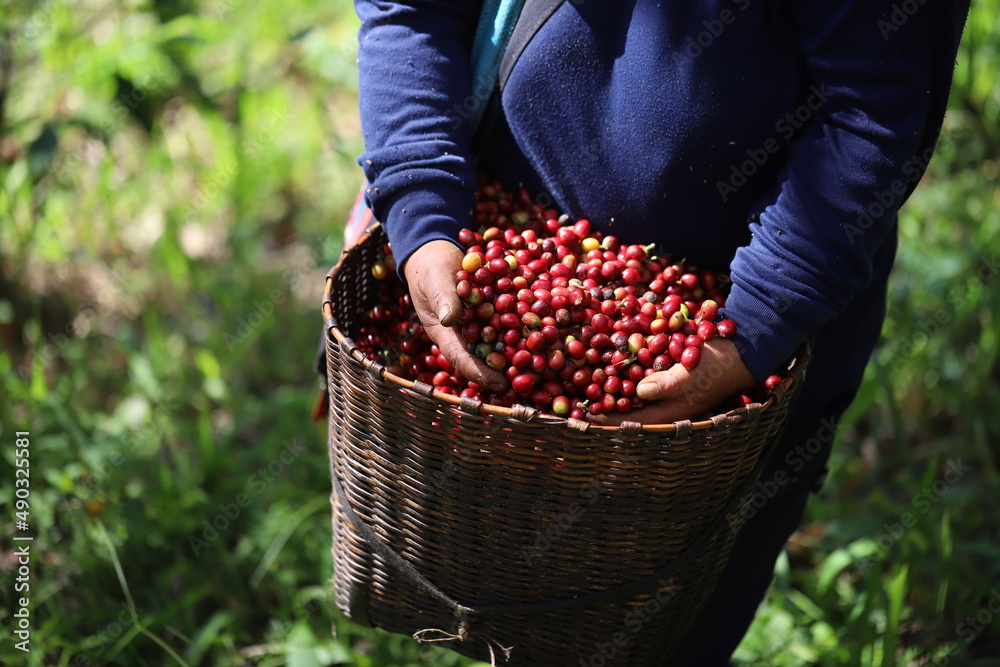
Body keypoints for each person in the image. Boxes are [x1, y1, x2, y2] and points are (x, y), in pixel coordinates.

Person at [348, 0, 970, 663]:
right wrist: (420, 196)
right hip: (510, 217)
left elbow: (874, 107)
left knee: (670, 628)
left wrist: (758, 319)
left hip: (752, 316)